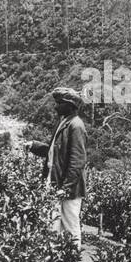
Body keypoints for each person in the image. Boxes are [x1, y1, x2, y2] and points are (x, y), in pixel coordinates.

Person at [28, 86, 87, 246]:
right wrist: (34, 145)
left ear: (70, 105)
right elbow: (53, 152)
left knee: (70, 226)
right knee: (53, 225)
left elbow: (77, 162)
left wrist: (65, 187)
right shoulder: (63, 123)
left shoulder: (76, 126)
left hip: (67, 188)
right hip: (54, 183)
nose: (56, 106)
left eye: (59, 103)